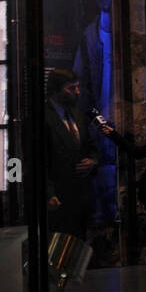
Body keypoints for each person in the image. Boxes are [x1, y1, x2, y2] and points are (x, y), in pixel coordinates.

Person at [44, 68, 98, 238]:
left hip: (81, 196)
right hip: (59, 198)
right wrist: (48, 194)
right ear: (55, 90)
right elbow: (36, 162)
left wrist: (93, 161)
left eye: (77, 87)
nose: (77, 92)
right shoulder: (42, 118)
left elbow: (90, 146)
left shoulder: (76, 114)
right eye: (71, 88)